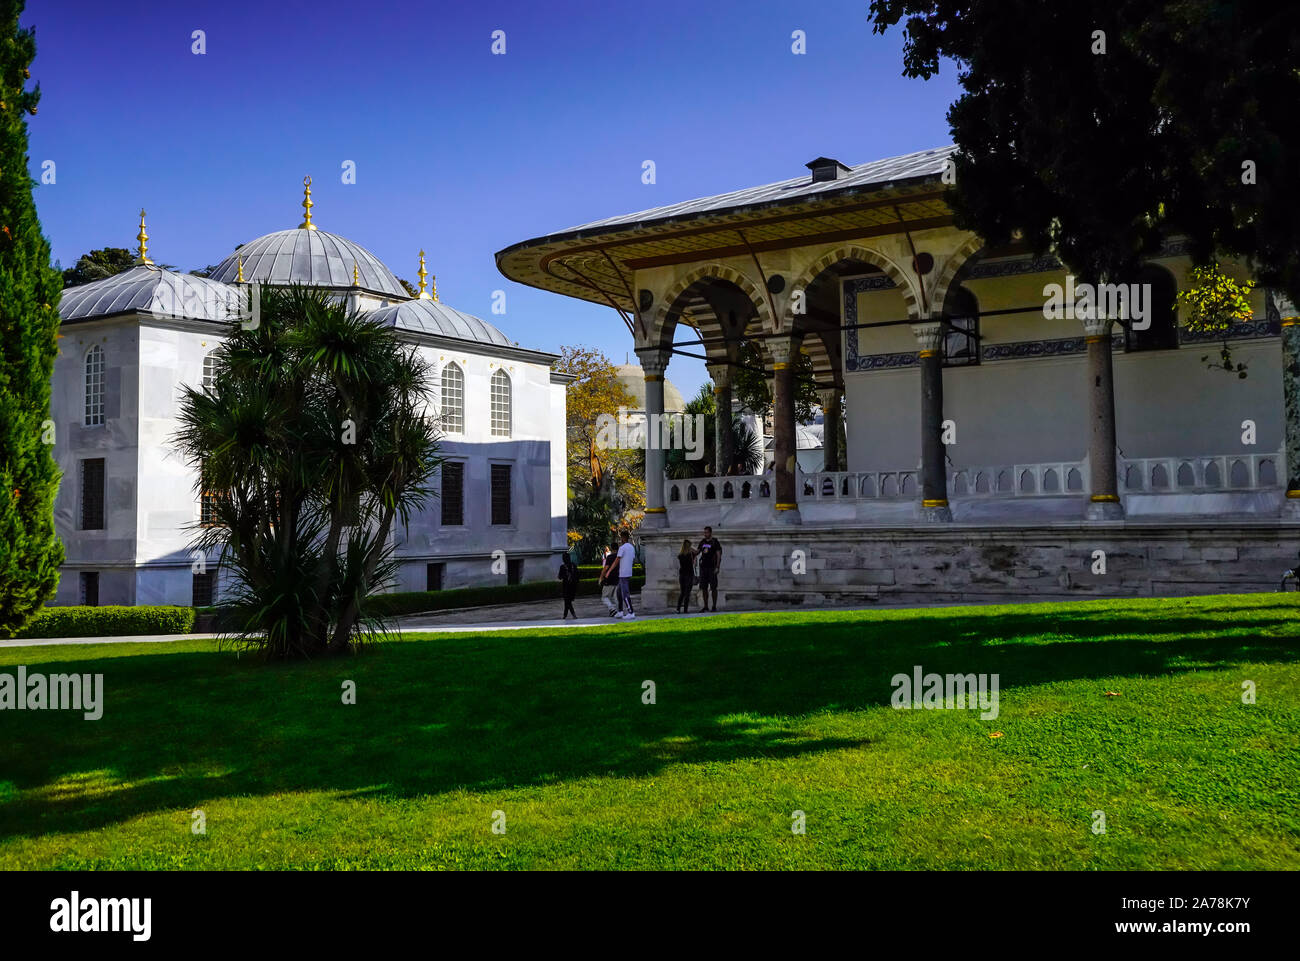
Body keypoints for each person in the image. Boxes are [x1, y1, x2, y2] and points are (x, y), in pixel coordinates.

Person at [696, 525, 722, 612]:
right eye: (704, 532)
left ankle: (714, 606)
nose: (705, 534)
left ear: (710, 533)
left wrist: (717, 567)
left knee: (713, 587)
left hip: (712, 567)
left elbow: (718, 555)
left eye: (706, 532)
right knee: (704, 587)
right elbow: (697, 551)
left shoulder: (715, 542)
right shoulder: (702, 542)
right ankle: (706, 606)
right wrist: (689, 548)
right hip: (703, 568)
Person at [614, 530, 636, 620]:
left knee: (625, 594)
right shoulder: (632, 547)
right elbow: (632, 559)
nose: (620, 540)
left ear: (623, 538)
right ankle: (620, 611)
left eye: (621, 538)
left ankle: (631, 612)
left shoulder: (622, 548)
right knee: (619, 592)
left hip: (623, 573)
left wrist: (608, 571)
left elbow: (617, 560)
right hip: (627, 572)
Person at [599, 543, 621, 616]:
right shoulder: (620, 557)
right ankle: (618, 612)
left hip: (610, 579)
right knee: (615, 597)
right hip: (618, 578)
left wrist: (601, 578)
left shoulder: (610, 557)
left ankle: (612, 609)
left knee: (604, 597)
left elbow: (605, 568)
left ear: (611, 548)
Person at [675, 539, 696, 613]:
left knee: (682, 592)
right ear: (689, 546)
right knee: (687, 593)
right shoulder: (691, 554)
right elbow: (697, 552)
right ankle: (685, 610)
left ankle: (678, 608)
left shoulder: (680, 555)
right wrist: (691, 549)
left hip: (682, 575)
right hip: (689, 575)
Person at [557, 554, 579, 619]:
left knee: (567, 601)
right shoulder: (574, 565)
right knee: (567, 601)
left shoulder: (563, 567)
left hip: (566, 586)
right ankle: (565, 615)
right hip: (573, 586)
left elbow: (560, 577)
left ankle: (573, 614)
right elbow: (578, 575)